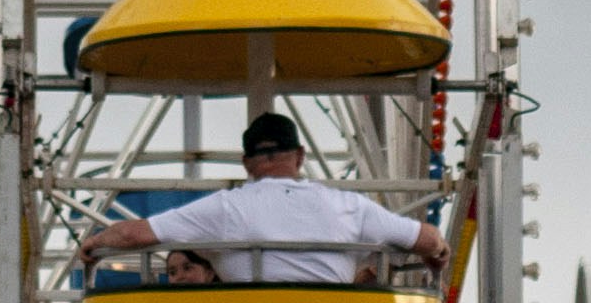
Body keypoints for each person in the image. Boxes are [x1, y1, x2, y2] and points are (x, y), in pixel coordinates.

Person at [78, 114, 443, 288]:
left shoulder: (225, 208)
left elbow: (134, 236)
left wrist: (94, 243)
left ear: (247, 163)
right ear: (299, 156)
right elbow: (428, 240)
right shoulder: (348, 206)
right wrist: (436, 258)